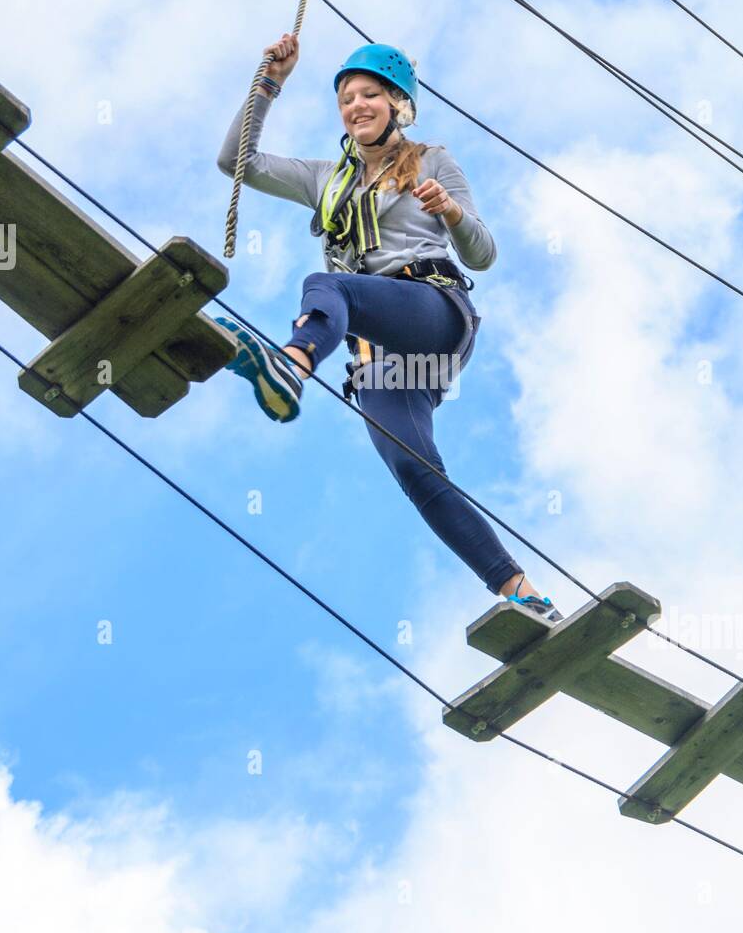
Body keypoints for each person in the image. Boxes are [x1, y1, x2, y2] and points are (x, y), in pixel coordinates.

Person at [216, 34, 562, 622]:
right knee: (412, 466)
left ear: (399, 105)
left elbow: (482, 254)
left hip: (433, 312)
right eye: (346, 98)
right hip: (381, 355)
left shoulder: (433, 160)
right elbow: (236, 163)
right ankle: (522, 592)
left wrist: (450, 212)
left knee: (324, 286)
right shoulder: (325, 177)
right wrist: (267, 84)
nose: (356, 106)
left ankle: (293, 362)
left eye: (369, 95)